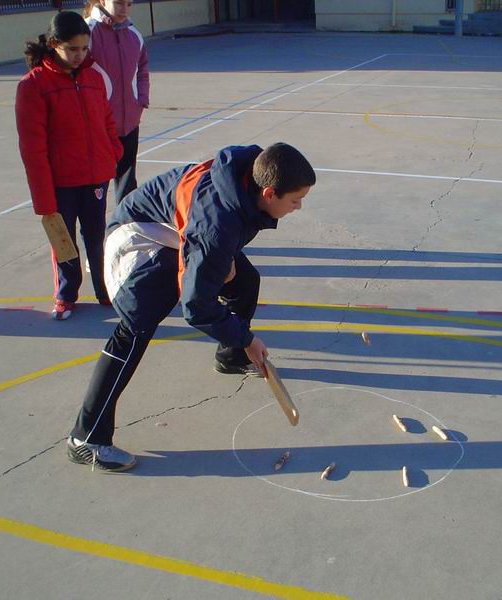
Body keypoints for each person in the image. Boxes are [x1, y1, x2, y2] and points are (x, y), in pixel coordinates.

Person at [66, 143, 316, 472]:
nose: (298, 207)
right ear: (269, 193)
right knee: (137, 326)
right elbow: (196, 306)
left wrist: (219, 263)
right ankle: (87, 438)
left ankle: (229, 357)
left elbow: (212, 234)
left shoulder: (247, 179)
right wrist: (246, 337)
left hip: (179, 230)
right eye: (295, 200)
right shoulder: (218, 227)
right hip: (136, 238)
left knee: (245, 281)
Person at [16, 11, 123, 320]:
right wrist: (43, 198)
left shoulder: (93, 78)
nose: (80, 56)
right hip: (61, 182)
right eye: (72, 49)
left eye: (84, 49)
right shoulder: (33, 86)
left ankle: (106, 289)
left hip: (95, 178)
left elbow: (106, 119)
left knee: (96, 237)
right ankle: (66, 294)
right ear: (53, 44)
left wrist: (112, 151)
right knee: (65, 242)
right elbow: (33, 149)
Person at [84, 0, 150, 205]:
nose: (124, 9)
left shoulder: (134, 35)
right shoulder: (87, 32)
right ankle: (96, 230)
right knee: (97, 184)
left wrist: (141, 100)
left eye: (129, 4)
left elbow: (143, 71)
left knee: (128, 181)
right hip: (99, 124)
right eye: (119, 3)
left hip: (129, 121)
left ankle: (125, 227)